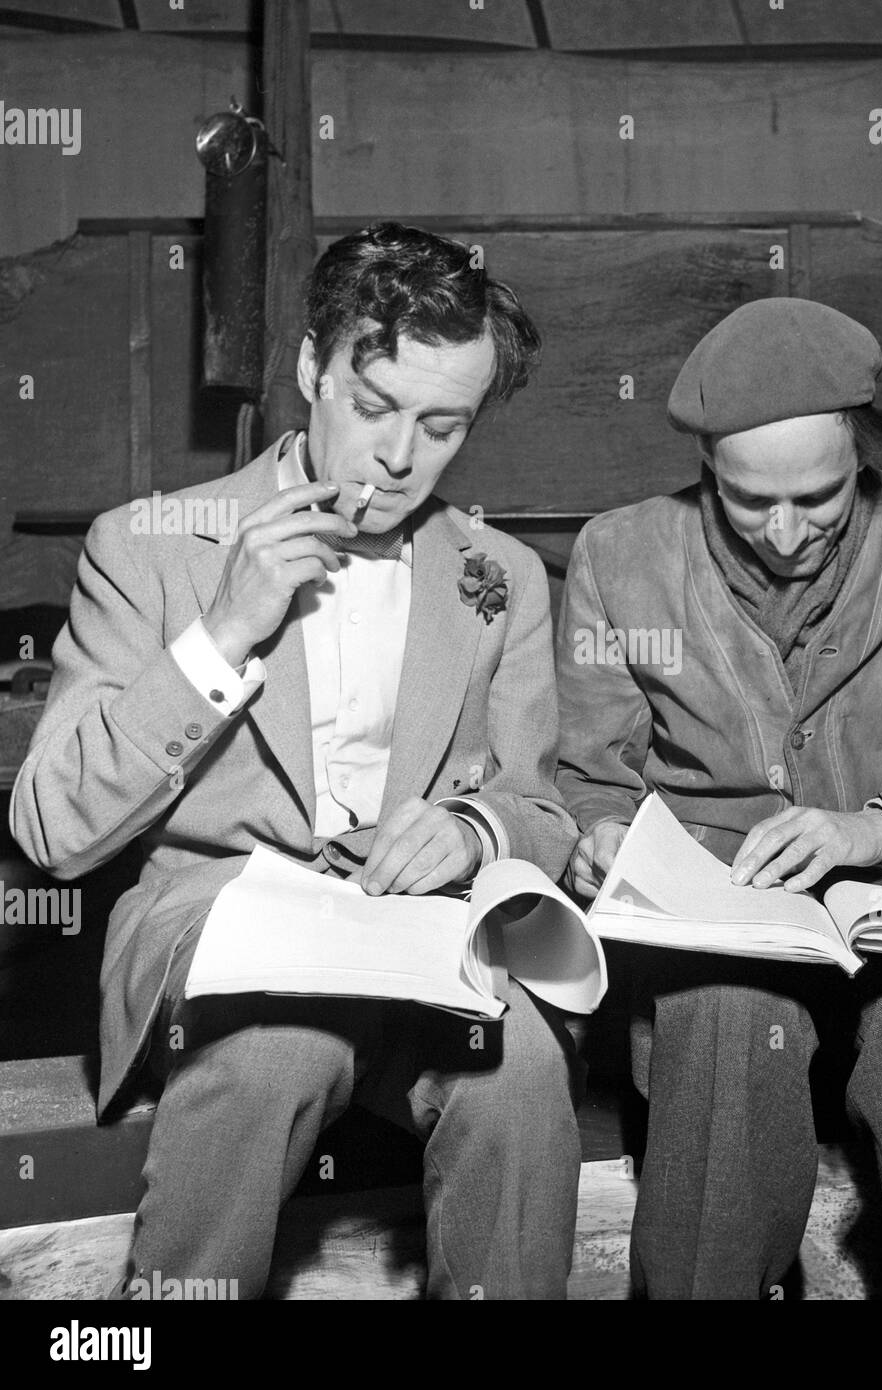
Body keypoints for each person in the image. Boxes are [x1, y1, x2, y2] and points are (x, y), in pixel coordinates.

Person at [10, 222, 581, 1300]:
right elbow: (52, 825)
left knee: (522, 1067)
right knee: (276, 1046)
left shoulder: (500, 573)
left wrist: (476, 829)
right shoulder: (150, 545)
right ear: (313, 367)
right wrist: (223, 635)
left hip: (417, 943)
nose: (401, 456)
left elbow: (540, 802)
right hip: (215, 925)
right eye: (374, 407)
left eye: (443, 426)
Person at [555, 297, 882, 1300]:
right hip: (721, 937)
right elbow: (587, 778)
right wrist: (597, 835)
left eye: (820, 498)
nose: (786, 533)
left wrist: (881, 827)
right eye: (750, 503)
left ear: (863, 456)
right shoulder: (621, 557)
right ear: (707, 466)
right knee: (723, 1020)